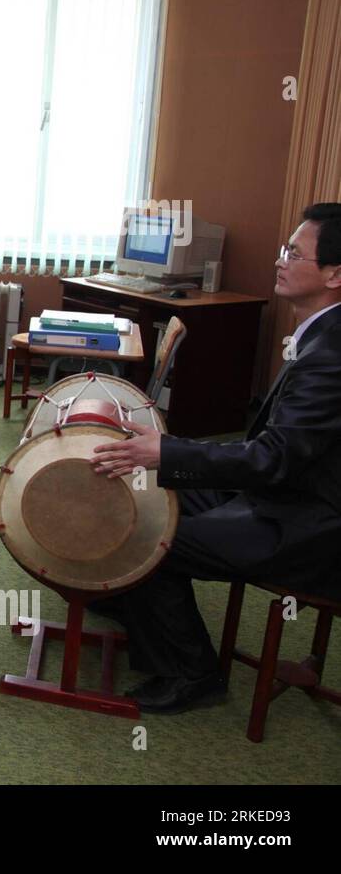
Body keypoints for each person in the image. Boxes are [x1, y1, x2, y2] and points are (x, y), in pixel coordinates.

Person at [90, 202, 341, 713]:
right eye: (283, 249)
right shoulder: (321, 333)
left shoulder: (331, 356)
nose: (281, 259)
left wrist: (168, 451)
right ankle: (134, 602)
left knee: (149, 539)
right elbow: (270, 450)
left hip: (305, 524)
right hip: (286, 491)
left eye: (294, 252)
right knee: (153, 491)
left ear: (334, 273)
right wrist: (171, 453)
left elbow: (271, 460)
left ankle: (194, 674)